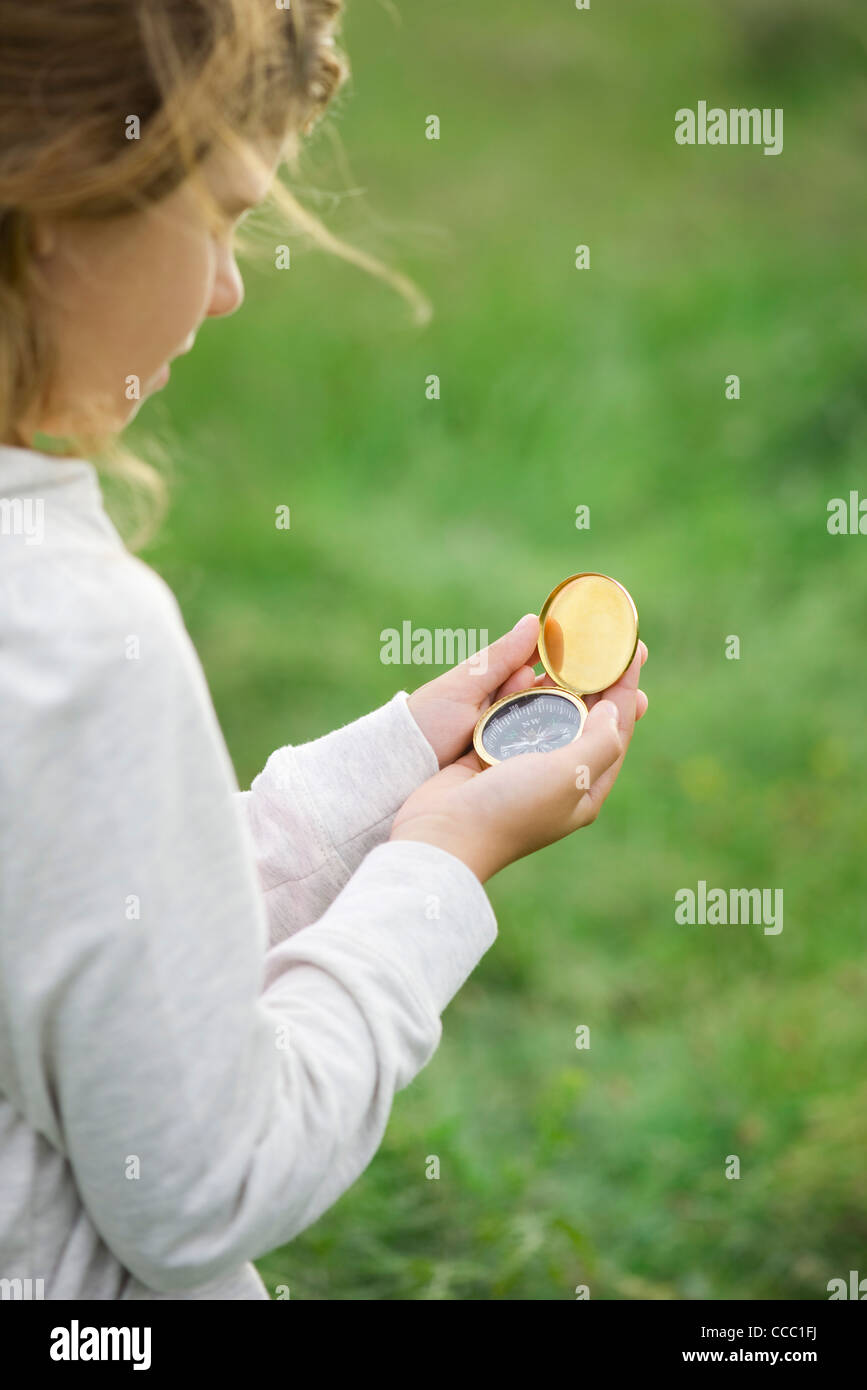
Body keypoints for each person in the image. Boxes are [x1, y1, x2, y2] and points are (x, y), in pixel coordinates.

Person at [0, 0, 648, 1300]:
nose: (234, 287)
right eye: (227, 214)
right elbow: (207, 1183)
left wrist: (399, 761)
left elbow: (94, 927)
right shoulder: (76, 639)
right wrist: (440, 865)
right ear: (64, 194)